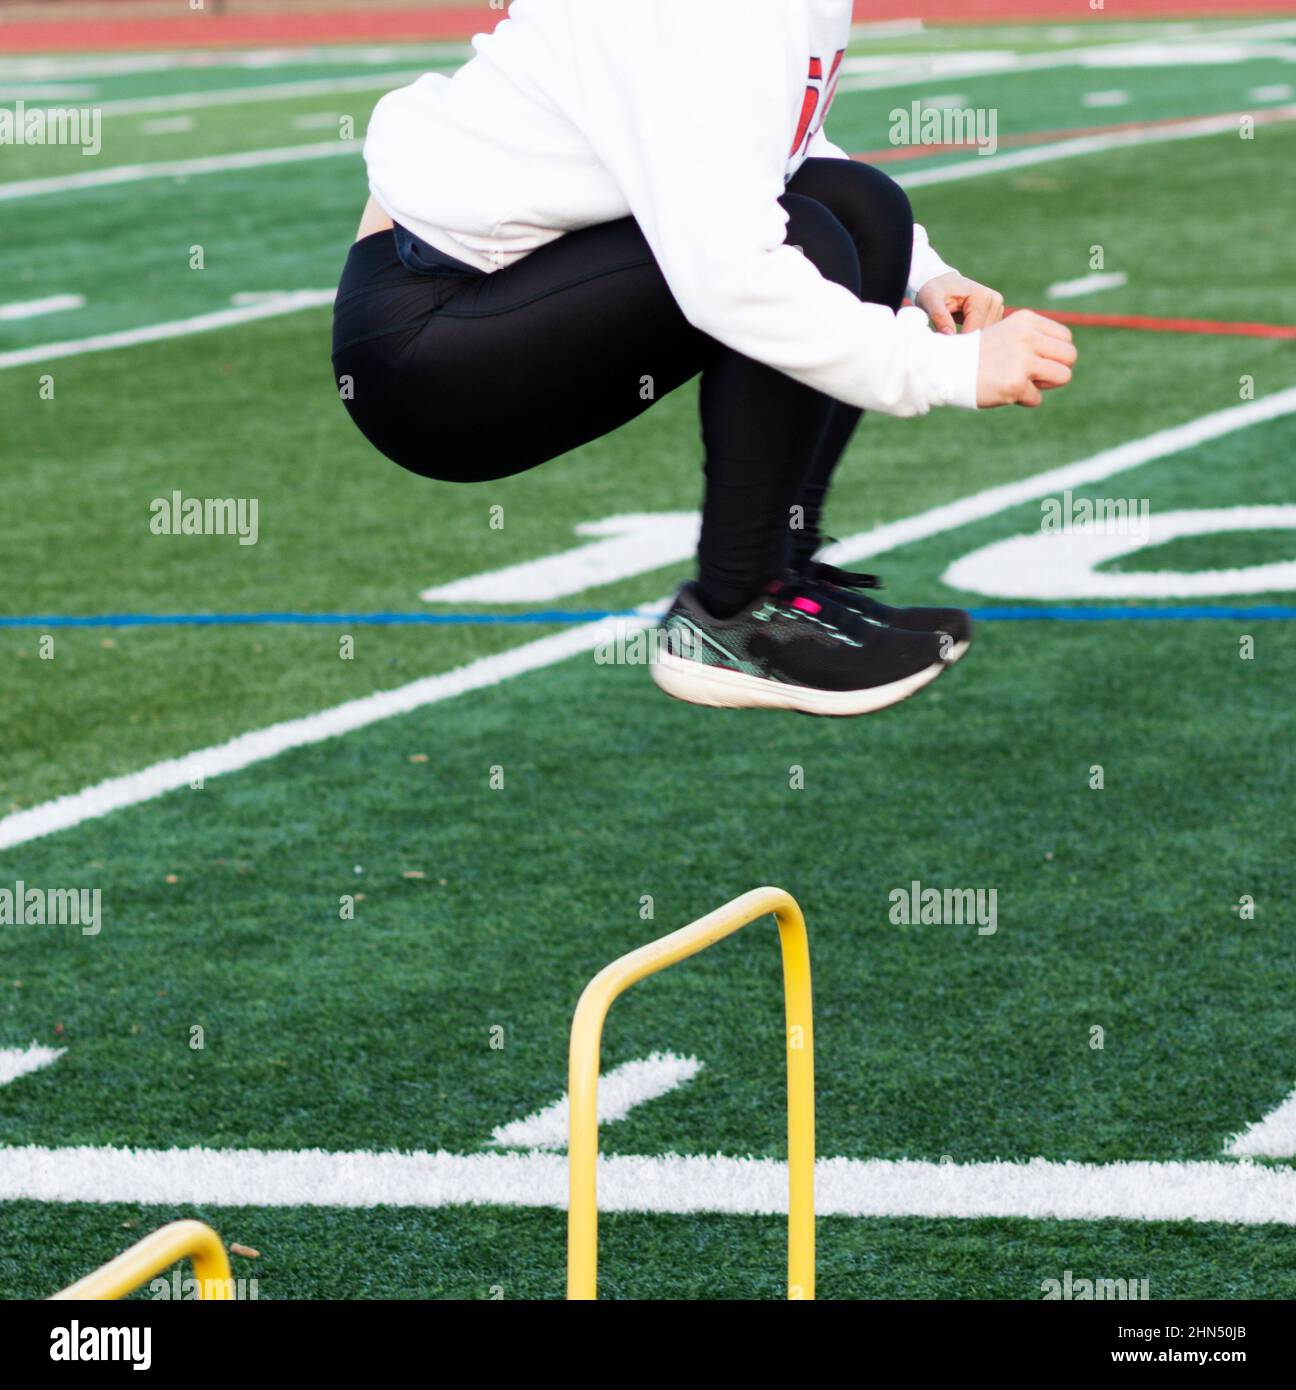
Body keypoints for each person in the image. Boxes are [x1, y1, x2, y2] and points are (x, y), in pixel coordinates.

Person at [331, 0, 1076, 716]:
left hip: (499, 291)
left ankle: (781, 584)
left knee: (864, 208)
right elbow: (731, 279)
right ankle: (736, 610)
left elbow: (754, 140)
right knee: (803, 242)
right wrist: (951, 370)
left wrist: (921, 269)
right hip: (427, 350)